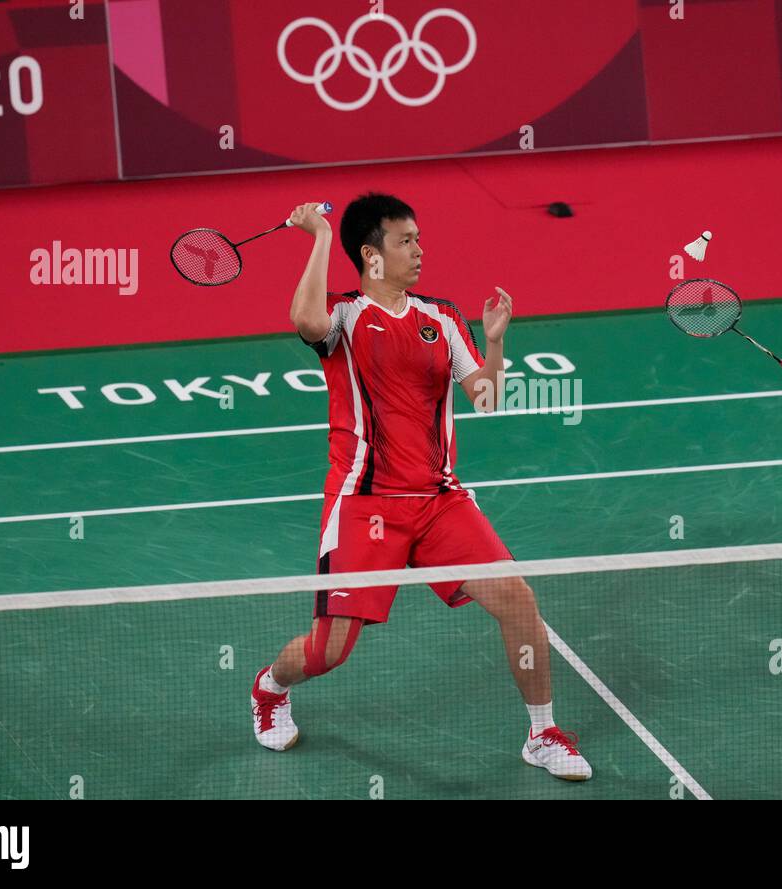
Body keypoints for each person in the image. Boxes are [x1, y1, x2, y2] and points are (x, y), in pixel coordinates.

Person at [249, 192, 591, 780]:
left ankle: (542, 732)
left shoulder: (441, 317)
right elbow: (304, 321)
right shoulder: (345, 317)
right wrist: (320, 237)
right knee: (330, 652)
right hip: (364, 503)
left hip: (439, 501)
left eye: (418, 239)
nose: (419, 250)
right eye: (405, 241)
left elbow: (484, 397)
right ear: (371, 255)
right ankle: (269, 687)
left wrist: (497, 344)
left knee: (518, 601)